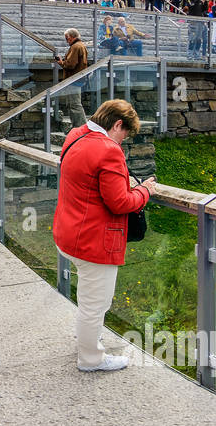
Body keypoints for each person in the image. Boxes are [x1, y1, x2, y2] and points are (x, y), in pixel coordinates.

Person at [53, 98, 158, 372]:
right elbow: (120, 203)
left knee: (90, 301)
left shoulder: (76, 135)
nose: (122, 141)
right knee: (95, 305)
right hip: (93, 242)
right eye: (124, 134)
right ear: (117, 124)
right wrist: (145, 190)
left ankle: (90, 341)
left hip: (69, 233)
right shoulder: (108, 150)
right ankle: (91, 359)